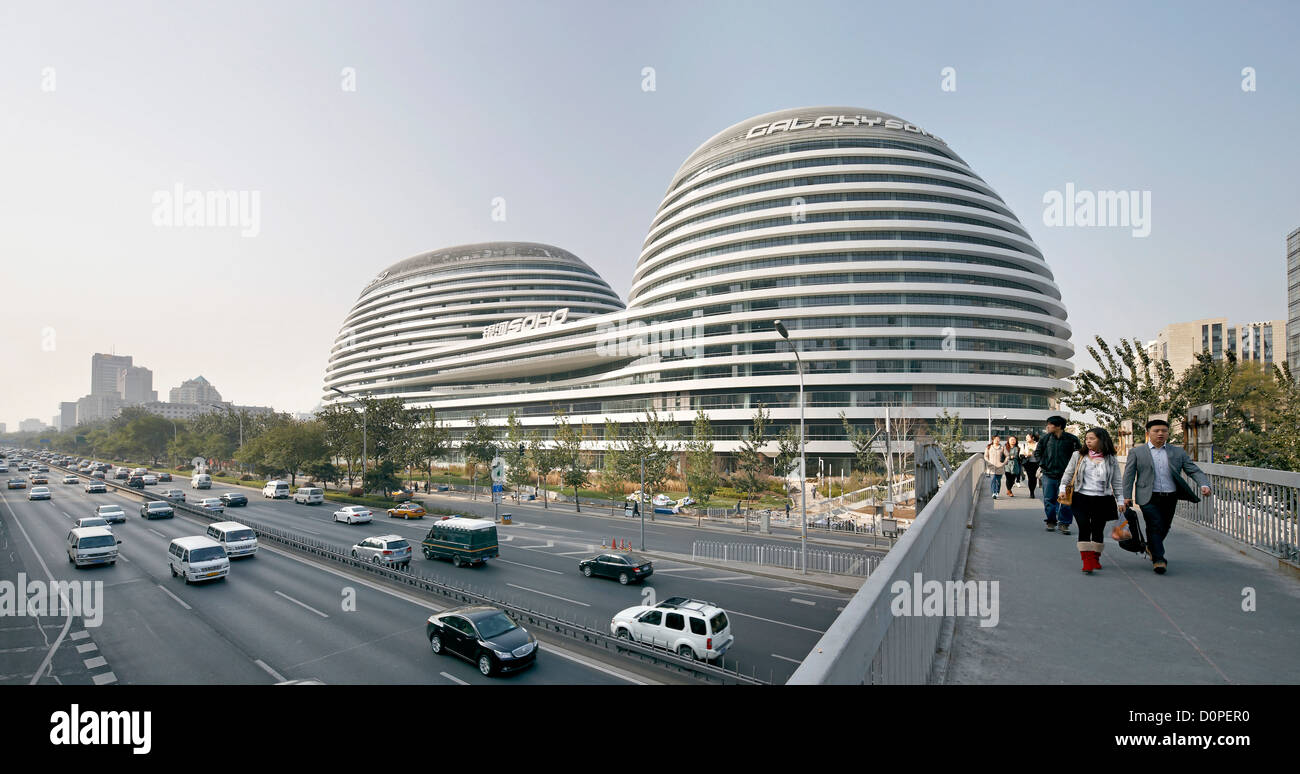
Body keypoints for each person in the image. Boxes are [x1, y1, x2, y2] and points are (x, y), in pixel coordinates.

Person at [1123, 418, 1212, 575]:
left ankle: (1151, 546)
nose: (1160, 434)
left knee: (1165, 526)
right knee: (1154, 524)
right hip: (1147, 496)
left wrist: (1204, 484)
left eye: (1164, 431)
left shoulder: (1177, 452)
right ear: (1148, 433)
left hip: (1170, 496)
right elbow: (1129, 476)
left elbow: (1193, 470)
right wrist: (1125, 496)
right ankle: (1159, 559)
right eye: (1156, 431)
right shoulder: (1137, 452)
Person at [1059, 427, 1125, 573]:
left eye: (1092, 438)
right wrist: (1062, 489)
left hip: (1102, 499)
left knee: (1097, 529)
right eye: (1087, 439)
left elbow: (1117, 481)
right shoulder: (1078, 455)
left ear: (1102, 440)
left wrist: (1120, 500)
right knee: (1084, 527)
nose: (1088, 441)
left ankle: (1095, 557)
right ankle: (1086, 561)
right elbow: (1068, 473)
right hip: (1081, 497)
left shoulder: (1111, 458)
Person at [1036, 416, 1082, 534]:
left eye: (1050, 424)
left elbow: (1080, 456)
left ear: (1058, 426)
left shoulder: (1072, 439)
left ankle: (1064, 523)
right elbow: (1037, 453)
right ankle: (1051, 521)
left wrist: (1075, 470)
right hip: (1048, 474)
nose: (1047, 426)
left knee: (1066, 500)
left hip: (1067, 476)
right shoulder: (1045, 439)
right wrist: (1043, 464)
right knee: (1048, 499)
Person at [983, 435, 1006, 499]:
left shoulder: (1002, 448)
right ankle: (994, 493)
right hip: (991, 467)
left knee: (998, 481)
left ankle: (997, 492)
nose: (997, 440)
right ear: (993, 440)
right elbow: (985, 456)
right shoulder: (989, 447)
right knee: (993, 479)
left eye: (998, 439)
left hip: (1000, 467)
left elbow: (1007, 456)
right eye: (996, 439)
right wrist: (988, 462)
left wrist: (1004, 463)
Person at [1022, 432, 1040, 498]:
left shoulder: (1038, 444)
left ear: (1032, 438)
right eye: (1026, 437)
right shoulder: (1024, 445)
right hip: (1028, 463)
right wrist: (1026, 455)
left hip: (1036, 463)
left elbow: (1040, 452)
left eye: (1028, 437)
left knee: (1034, 477)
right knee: (1030, 477)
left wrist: (1034, 453)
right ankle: (1031, 492)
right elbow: (1021, 453)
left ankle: (1033, 490)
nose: (1026, 439)